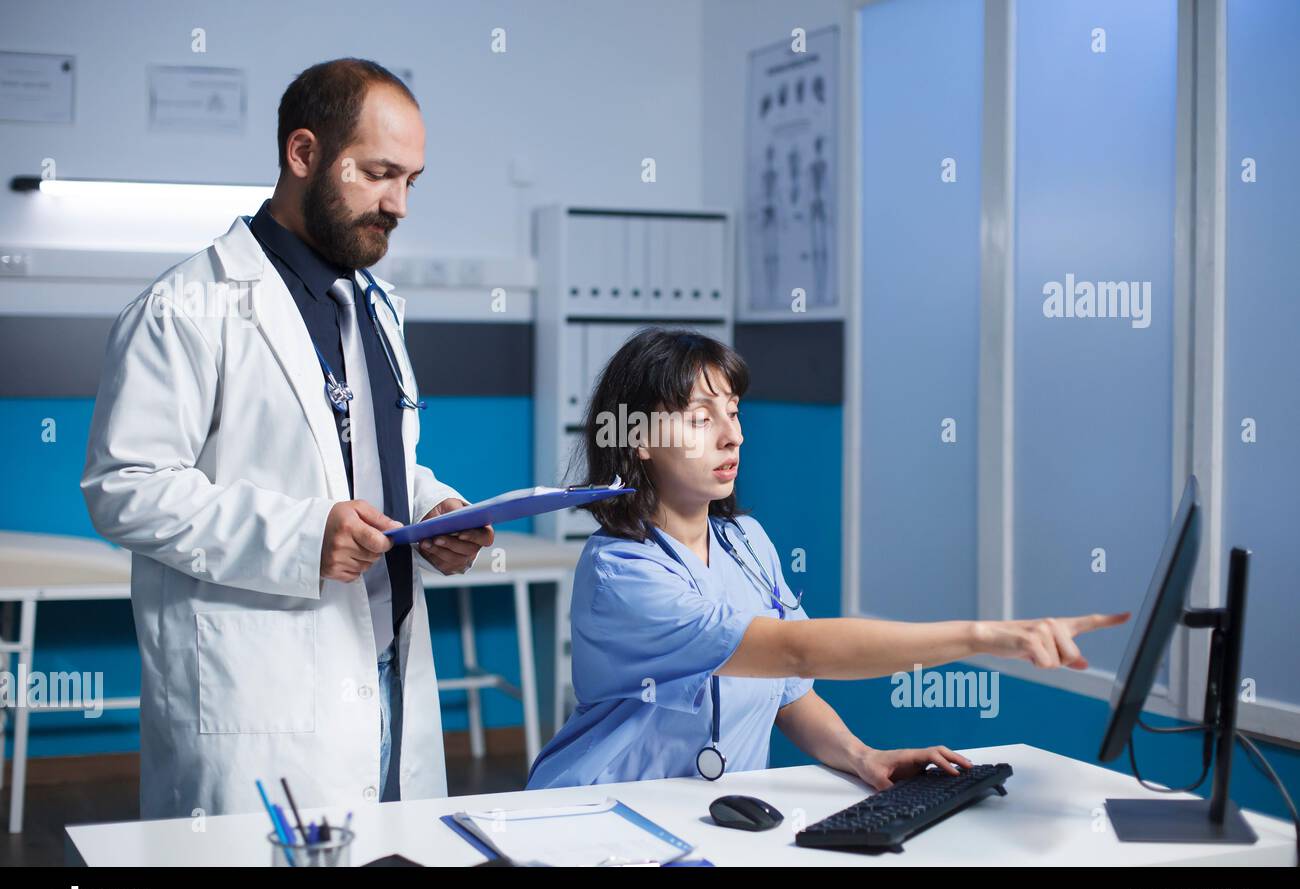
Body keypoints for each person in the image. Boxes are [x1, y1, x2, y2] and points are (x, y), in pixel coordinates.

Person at [81, 59, 491, 820]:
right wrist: (305, 539)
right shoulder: (187, 306)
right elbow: (125, 489)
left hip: (388, 667)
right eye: (377, 174)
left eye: (412, 180)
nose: (399, 204)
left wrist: (433, 508)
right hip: (261, 687)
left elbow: (363, 455)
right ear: (303, 154)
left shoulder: (373, 309)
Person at [526, 328, 1129, 790]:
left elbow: (789, 686)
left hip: (706, 814)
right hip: (604, 811)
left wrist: (863, 757)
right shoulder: (620, 571)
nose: (732, 435)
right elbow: (795, 647)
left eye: (733, 413)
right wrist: (983, 635)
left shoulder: (747, 543)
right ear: (638, 438)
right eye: (699, 419)